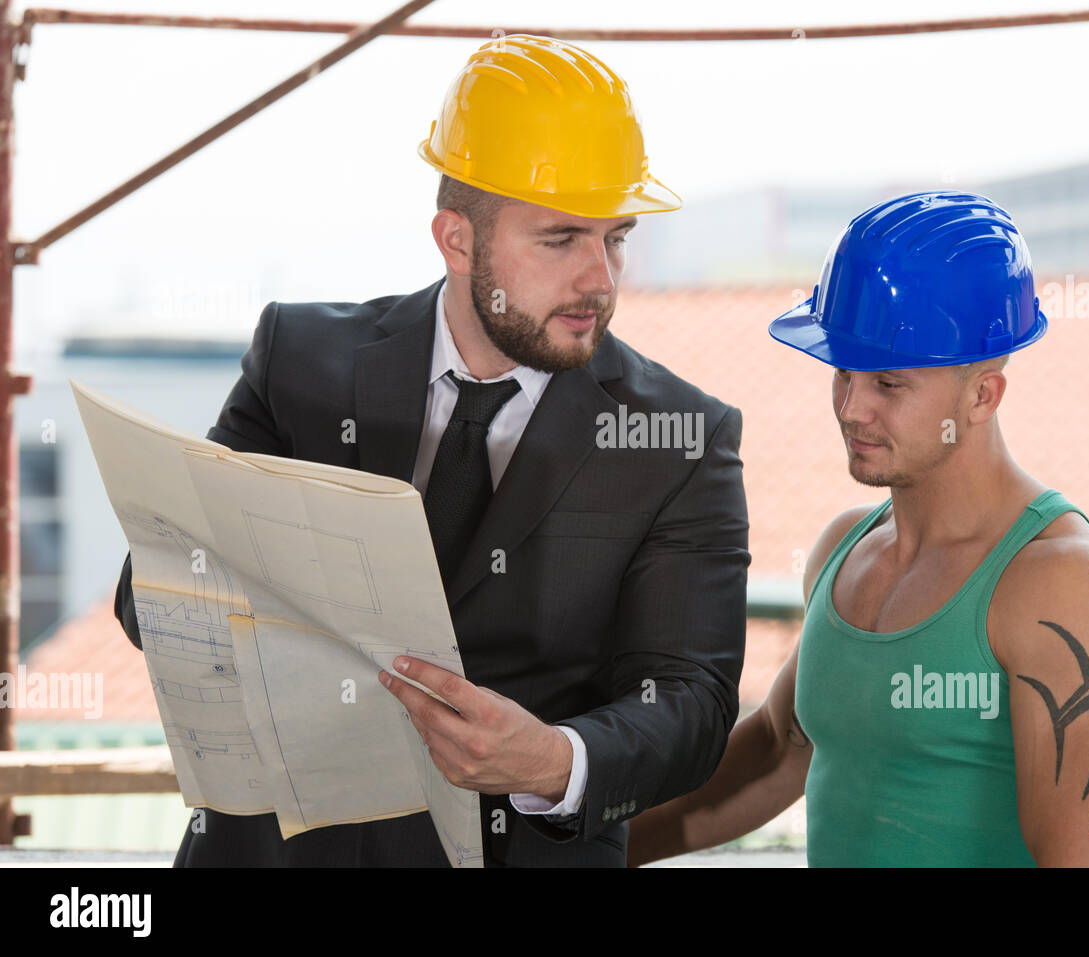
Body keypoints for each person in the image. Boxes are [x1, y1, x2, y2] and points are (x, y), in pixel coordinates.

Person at [112, 34, 750, 867]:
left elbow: (691, 704)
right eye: (561, 240)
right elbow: (153, 592)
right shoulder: (298, 362)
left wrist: (555, 760)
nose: (600, 278)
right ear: (456, 239)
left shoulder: (681, 439)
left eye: (617, 237)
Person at [627, 191, 1089, 867]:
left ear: (982, 395)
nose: (852, 407)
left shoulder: (1071, 590)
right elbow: (779, 748)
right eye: (843, 371)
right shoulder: (843, 549)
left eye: (887, 381)